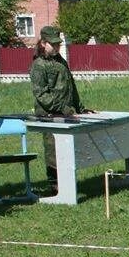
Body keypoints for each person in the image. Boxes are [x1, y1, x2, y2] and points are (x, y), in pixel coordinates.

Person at [30, 25, 92, 190]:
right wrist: (62, 108)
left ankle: (67, 184)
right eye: (53, 44)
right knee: (53, 151)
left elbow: (71, 86)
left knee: (66, 150)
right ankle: (55, 187)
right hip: (49, 115)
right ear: (43, 43)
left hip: (66, 114)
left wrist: (80, 107)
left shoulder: (60, 61)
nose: (57, 47)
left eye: (59, 44)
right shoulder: (39, 65)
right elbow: (41, 94)